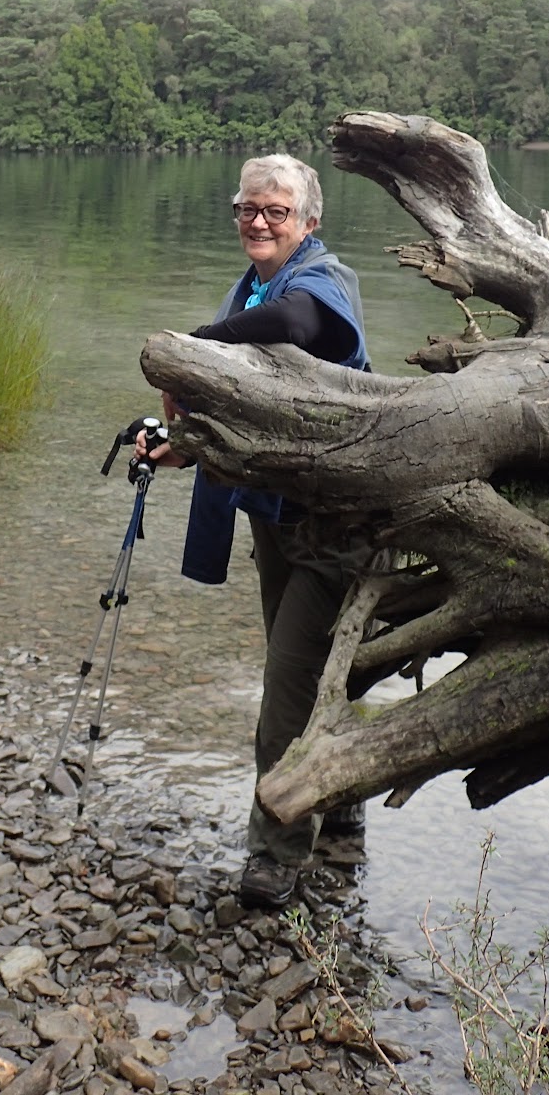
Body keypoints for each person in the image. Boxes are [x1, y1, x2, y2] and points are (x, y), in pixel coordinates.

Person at [141, 154, 370, 909]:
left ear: (309, 221)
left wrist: (196, 346)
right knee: (311, 681)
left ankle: (275, 853)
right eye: (248, 209)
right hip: (278, 517)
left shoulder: (321, 280)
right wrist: (185, 445)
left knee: (287, 692)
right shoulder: (255, 284)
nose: (260, 222)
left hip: (336, 524)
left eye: (276, 211)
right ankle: (340, 819)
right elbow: (253, 400)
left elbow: (298, 328)